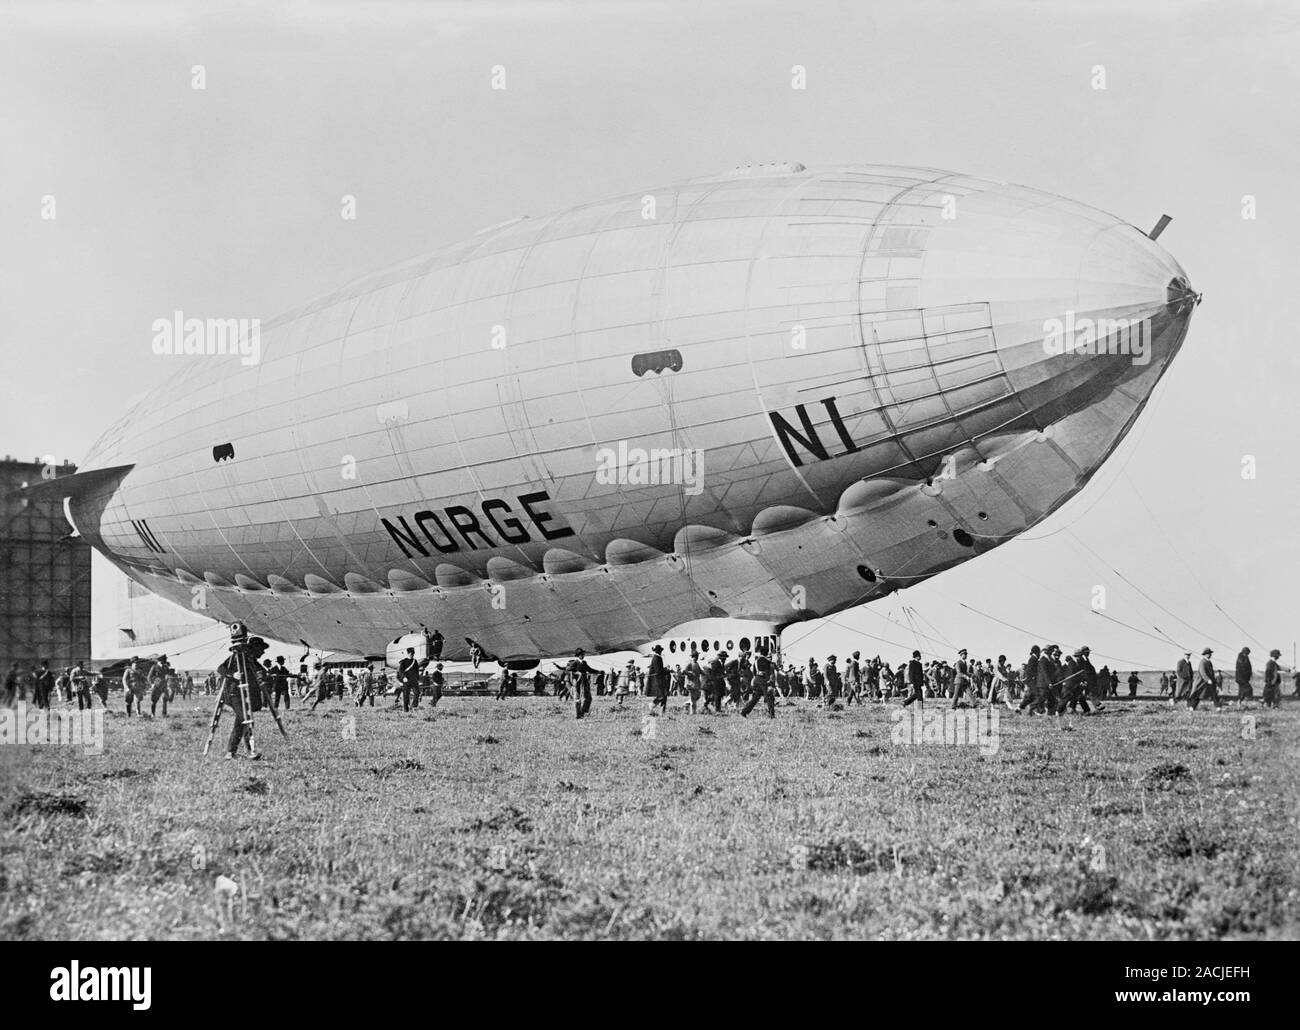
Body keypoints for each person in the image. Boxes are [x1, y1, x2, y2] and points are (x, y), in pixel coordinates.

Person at [216, 630, 272, 759]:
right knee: (246, 720)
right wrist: (233, 675)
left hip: (246, 695)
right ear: (255, 647)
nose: (263, 652)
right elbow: (221, 668)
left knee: (240, 722)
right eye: (261, 649)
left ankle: (230, 752)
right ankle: (250, 751)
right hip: (235, 694)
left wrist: (263, 675)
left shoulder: (251, 659)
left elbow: (262, 671)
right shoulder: (237, 657)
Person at [568, 648, 596, 719]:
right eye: (582, 654)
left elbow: (589, 669)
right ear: (578, 655)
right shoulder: (575, 662)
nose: (583, 655)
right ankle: (578, 715)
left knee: (588, 698)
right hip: (577, 682)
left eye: (583, 654)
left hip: (585, 682)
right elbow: (568, 669)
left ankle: (583, 712)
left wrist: (598, 671)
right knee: (577, 699)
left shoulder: (584, 663)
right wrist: (576, 672)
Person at [396, 647, 422, 712]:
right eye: (410, 654)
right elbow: (401, 671)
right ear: (408, 654)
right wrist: (404, 677)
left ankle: (414, 706)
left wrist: (418, 679)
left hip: (414, 681)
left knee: (417, 693)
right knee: (406, 695)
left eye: (413, 654)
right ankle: (406, 709)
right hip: (406, 681)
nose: (412, 655)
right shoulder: (403, 662)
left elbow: (416, 671)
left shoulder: (415, 661)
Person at [647, 644, 668, 714]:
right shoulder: (657, 658)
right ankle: (652, 705)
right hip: (657, 679)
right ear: (659, 651)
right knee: (662, 695)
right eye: (660, 651)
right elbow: (658, 670)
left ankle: (661, 710)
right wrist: (667, 671)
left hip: (658, 678)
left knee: (663, 695)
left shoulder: (656, 657)